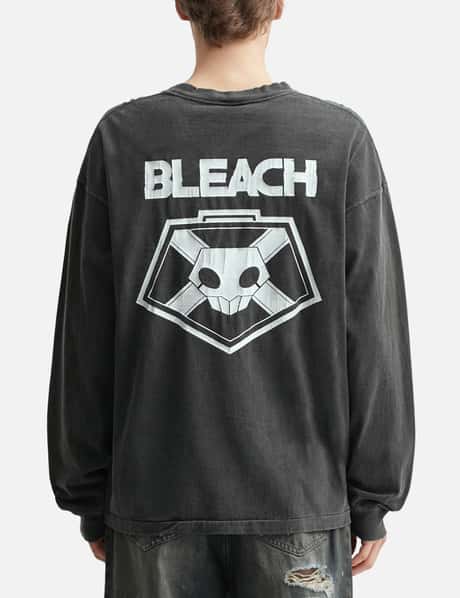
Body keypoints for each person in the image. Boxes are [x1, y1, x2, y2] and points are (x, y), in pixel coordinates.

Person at [47, 1, 415, 596]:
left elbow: (83, 339)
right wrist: (373, 496)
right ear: (278, 6)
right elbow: (375, 338)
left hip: (153, 502)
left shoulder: (123, 139)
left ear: (181, 6)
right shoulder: (337, 141)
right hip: (297, 502)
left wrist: (87, 492)